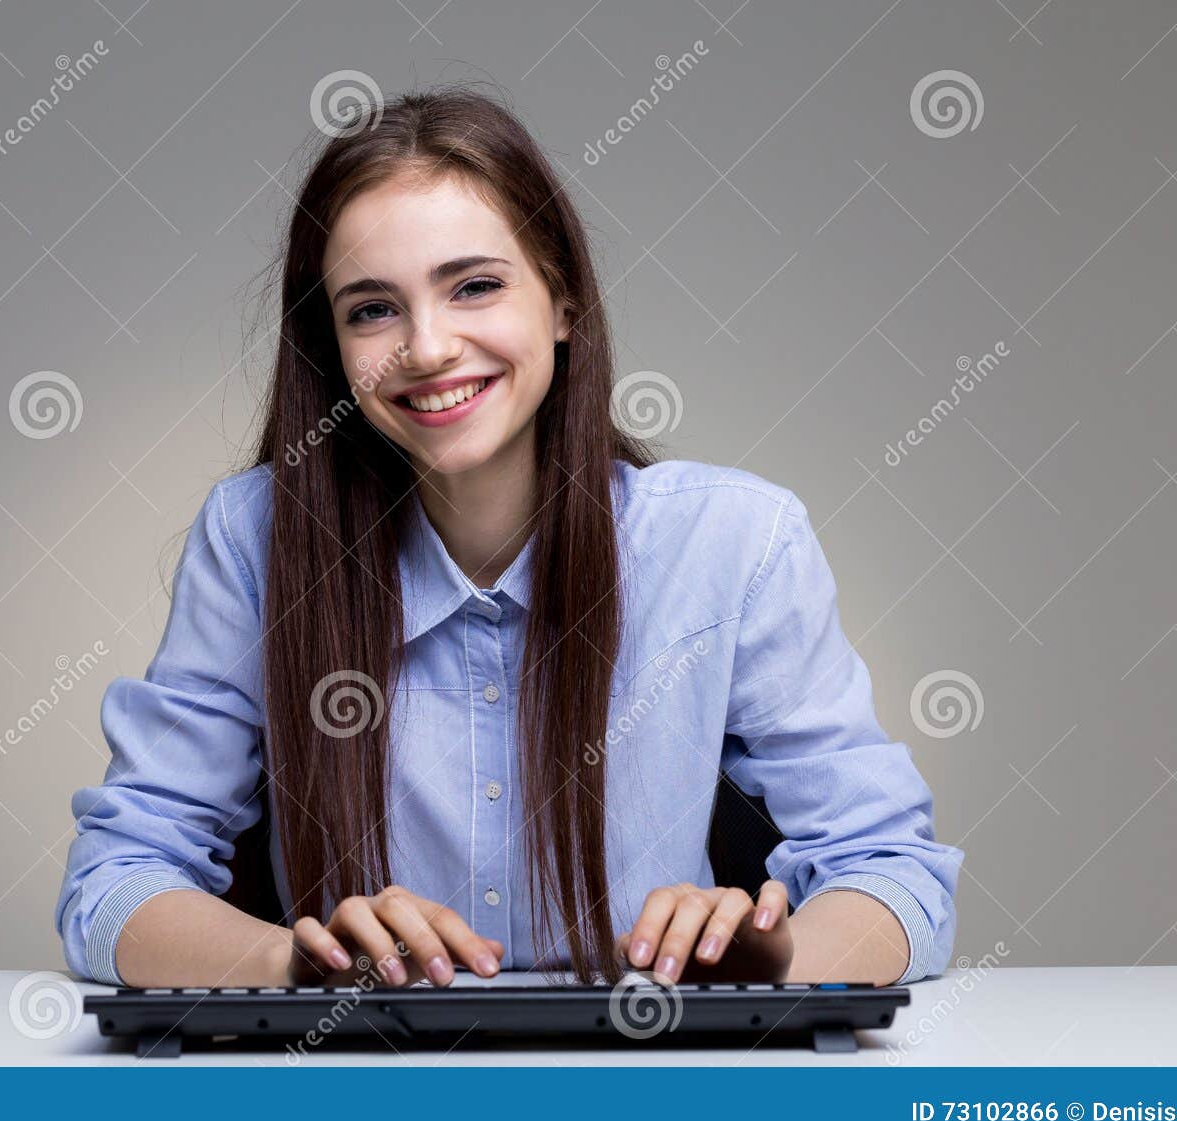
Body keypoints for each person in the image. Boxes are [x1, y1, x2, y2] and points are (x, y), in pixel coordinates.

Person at [54, 86, 963, 991]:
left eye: (475, 286)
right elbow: (115, 882)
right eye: (373, 309)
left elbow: (896, 873)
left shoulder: (735, 541)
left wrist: (782, 957)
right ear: (332, 345)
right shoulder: (255, 540)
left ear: (562, 301)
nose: (428, 346)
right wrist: (292, 961)